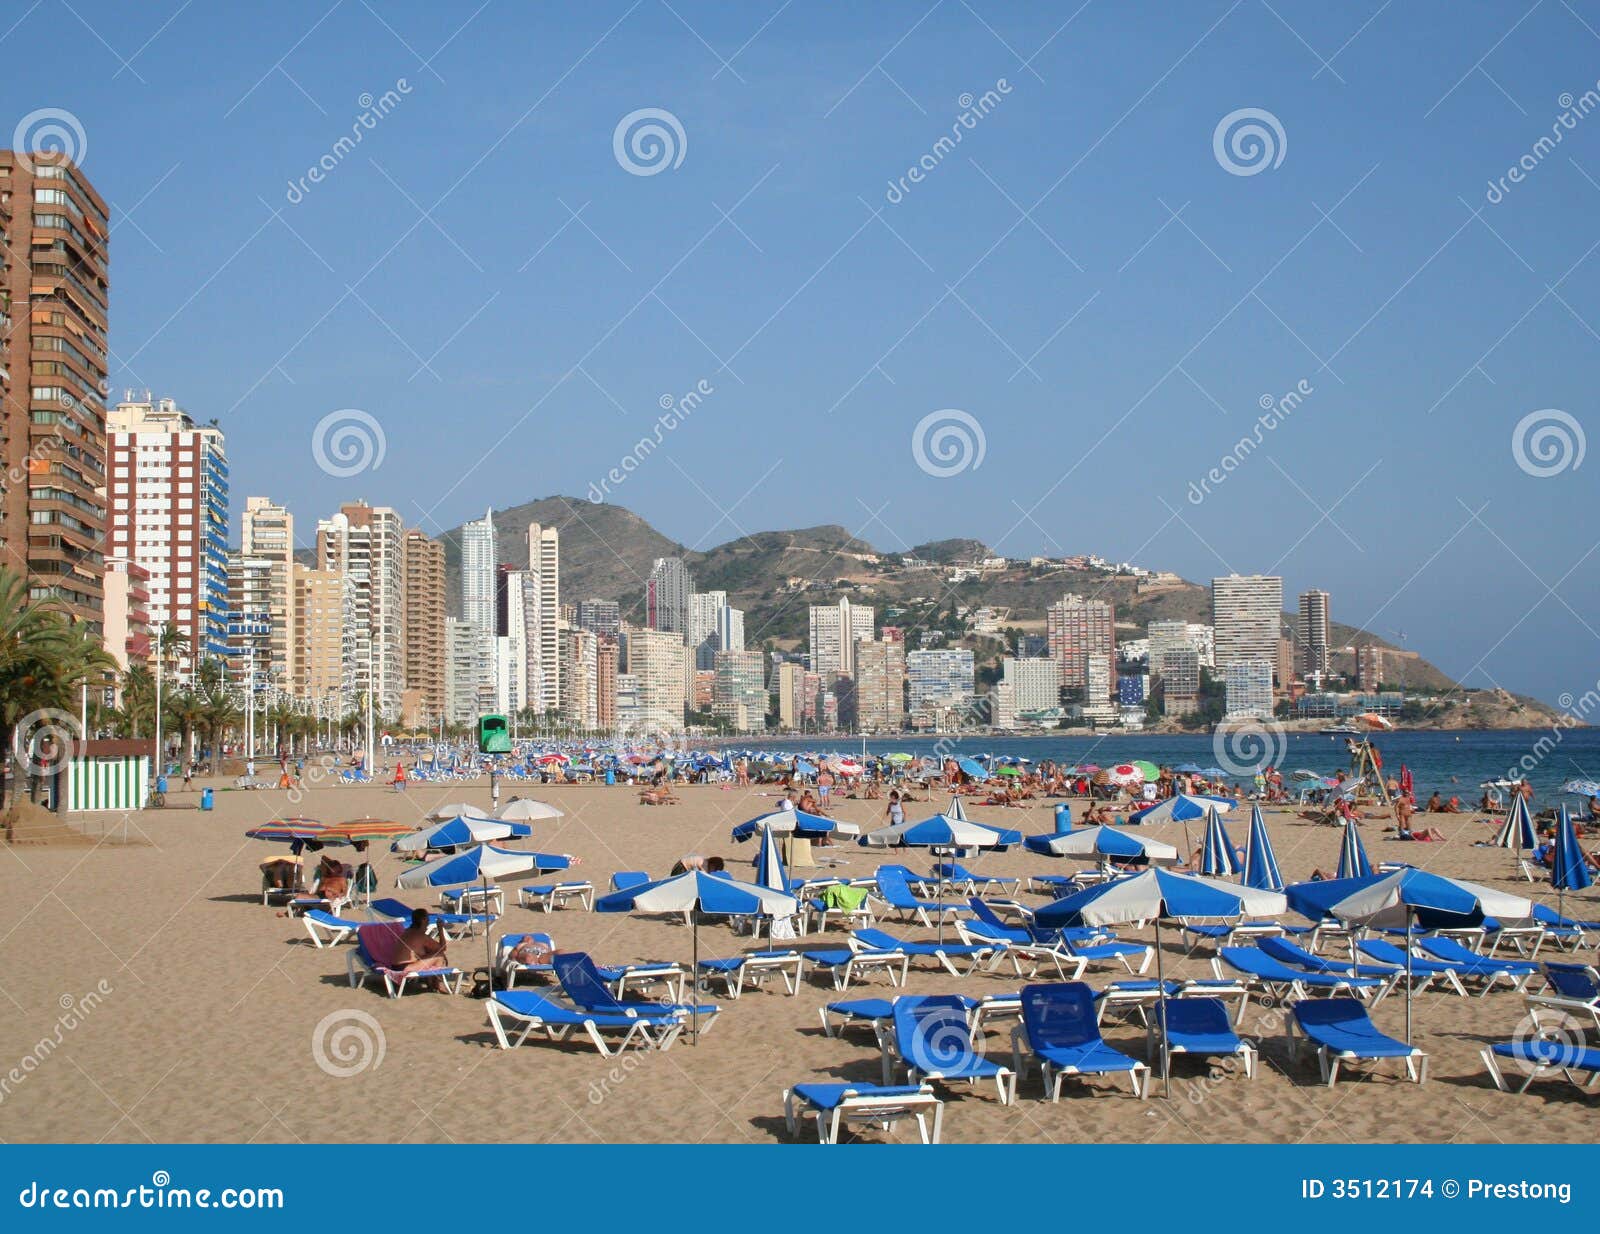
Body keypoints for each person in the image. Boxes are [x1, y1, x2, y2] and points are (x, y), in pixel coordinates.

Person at [394, 909, 449, 988]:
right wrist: (440, 929)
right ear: (423, 920)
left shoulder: (406, 931)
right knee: (439, 956)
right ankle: (437, 984)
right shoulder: (420, 935)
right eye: (427, 919)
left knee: (429, 953)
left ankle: (430, 981)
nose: (428, 922)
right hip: (405, 968)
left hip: (395, 967)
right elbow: (442, 948)